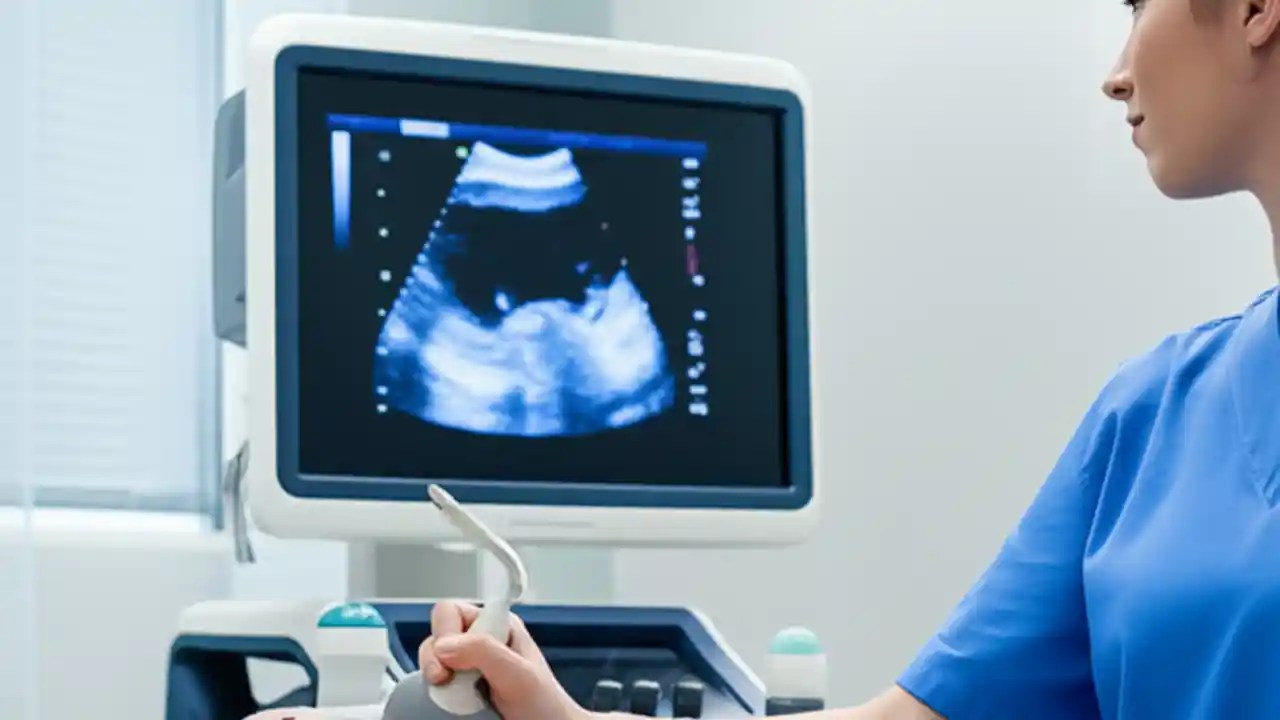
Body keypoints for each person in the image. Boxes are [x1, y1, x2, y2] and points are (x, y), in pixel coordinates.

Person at [419, 0, 1280, 718]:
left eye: (1137, 4)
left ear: (1252, 9)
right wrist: (561, 714)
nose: (1117, 70)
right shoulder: (1153, 419)